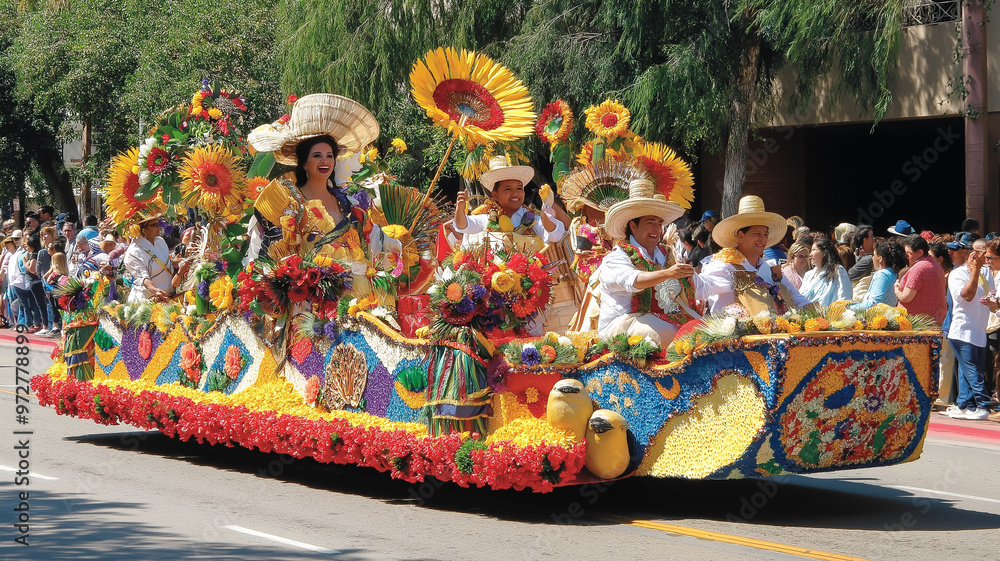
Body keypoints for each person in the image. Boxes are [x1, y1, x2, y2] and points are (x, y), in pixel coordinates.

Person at [247, 93, 400, 297]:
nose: (325, 161)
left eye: (329, 156)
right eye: (317, 156)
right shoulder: (287, 201)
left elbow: (371, 239)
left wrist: (396, 242)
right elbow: (266, 257)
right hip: (310, 303)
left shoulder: (348, 204)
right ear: (304, 163)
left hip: (357, 301)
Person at [596, 179, 699, 346]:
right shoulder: (617, 257)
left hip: (662, 318)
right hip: (621, 324)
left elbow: (696, 284)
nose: (657, 230)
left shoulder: (666, 254)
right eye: (650, 223)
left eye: (659, 224)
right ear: (634, 226)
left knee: (702, 328)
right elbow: (633, 280)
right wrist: (667, 273)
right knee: (658, 332)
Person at [695, 195, 811, 315]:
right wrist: (681, 272)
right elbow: (700, 288)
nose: (762, 239)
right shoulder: (726, 267)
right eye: (756, 234)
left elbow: (795, 296)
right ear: (741, 236)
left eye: (765, 234)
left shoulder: (767, 268)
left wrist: (814, 310)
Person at [454, 156, 565, 251]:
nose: (515, 194)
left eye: (519, 189)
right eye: (508, 189)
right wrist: (460, 207)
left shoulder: (532, 220)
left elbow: (554, 235)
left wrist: (546, 207)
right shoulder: (486, 220)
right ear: (495, 195)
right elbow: (463, 225)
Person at [944, 239, 994, 420]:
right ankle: (983, 405)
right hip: (962, 329)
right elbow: (966, 295)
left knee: (969, 369)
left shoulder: (986, 273)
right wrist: (975, 269)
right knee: (973, 370)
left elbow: (991, 297)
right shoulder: (958, 274)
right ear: (971, 253)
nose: (986, 259)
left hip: (979, 329)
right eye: (984, 254)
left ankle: (965, 404)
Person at [894, 234, 947, 325]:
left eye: (909, 253)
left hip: (917, 327)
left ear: (920, 253)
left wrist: (897, 290)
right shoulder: (936, 266)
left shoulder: (918, 269)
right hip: (934, 322)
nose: (906, 256)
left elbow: (906, 297)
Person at [123, 215, 176, 303]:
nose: (159, 227)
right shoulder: (133, 252)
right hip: (148, 300)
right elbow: (143, 278)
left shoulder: (160, 241)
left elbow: (167, 263)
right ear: (144, 230)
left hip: (169, 296)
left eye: (159, 223)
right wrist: (155, 290)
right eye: (155, 225)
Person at [800, 237, 853, 307]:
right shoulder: (808, 275)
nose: (810, 254)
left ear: (824, 252)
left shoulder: (837, 271)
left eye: (813, 250)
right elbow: (800, 297)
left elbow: (844, 297)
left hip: (830, 315)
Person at [852, 240, 905, 309]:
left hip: (878, 316)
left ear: (880, 259)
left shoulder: (882, 275)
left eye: (874, 255)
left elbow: (873, 303)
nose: (872, 258)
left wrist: (850, 307)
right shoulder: (893, 273)